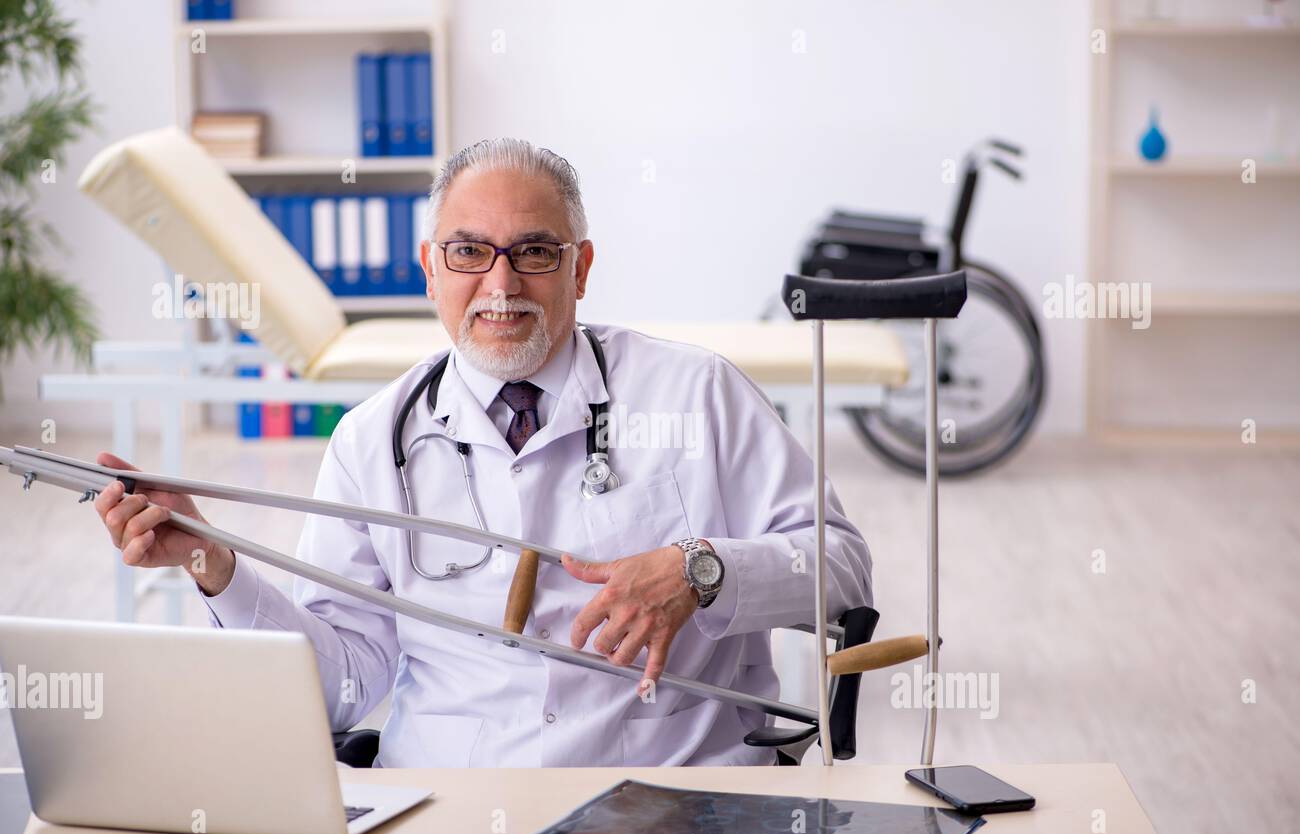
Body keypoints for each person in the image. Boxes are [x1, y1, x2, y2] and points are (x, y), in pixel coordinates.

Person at [93, 137, 872, 767]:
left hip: (674, 813)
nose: (501, 284)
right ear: (431, 269)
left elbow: (840, 566)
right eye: (469, 252)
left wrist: (703, 571)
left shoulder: (697, 395)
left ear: (581, 267)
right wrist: (212, 564)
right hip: (450, 815)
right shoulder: (372, 441)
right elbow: (340, 691)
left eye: (534, 251)